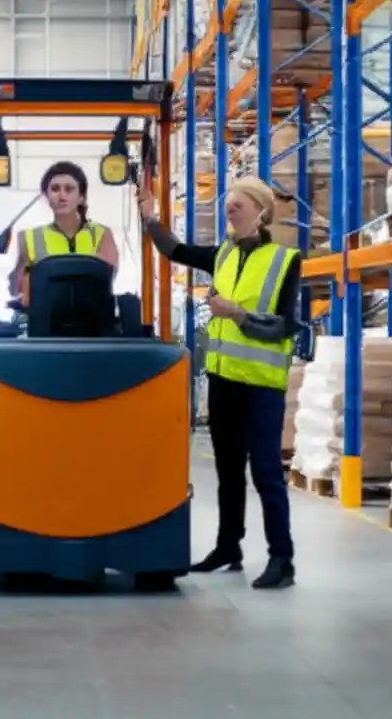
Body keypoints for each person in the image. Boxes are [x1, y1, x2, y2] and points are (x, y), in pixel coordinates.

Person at [136, 176, 301, 590]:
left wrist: (238, 315)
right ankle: (229, 547)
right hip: (225, 381)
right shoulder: (224, 255)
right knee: (229, 470)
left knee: (265, 472)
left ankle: (282, 559)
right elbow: (177, 251)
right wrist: (151, 218)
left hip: (262, 384)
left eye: (238, 206)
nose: (230, 211)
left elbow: (285, 326)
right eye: (228, 206)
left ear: (261, 212)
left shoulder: (285, 261)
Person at [7, 161, 119, 297]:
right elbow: (17, 290)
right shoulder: (29, 237)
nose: (61, 196)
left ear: (81, 197)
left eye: (69, 189)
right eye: (55, 189)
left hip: (91, 315)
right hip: (44, 315)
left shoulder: (102, 234)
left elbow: (103, 283)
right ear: (46, 196)